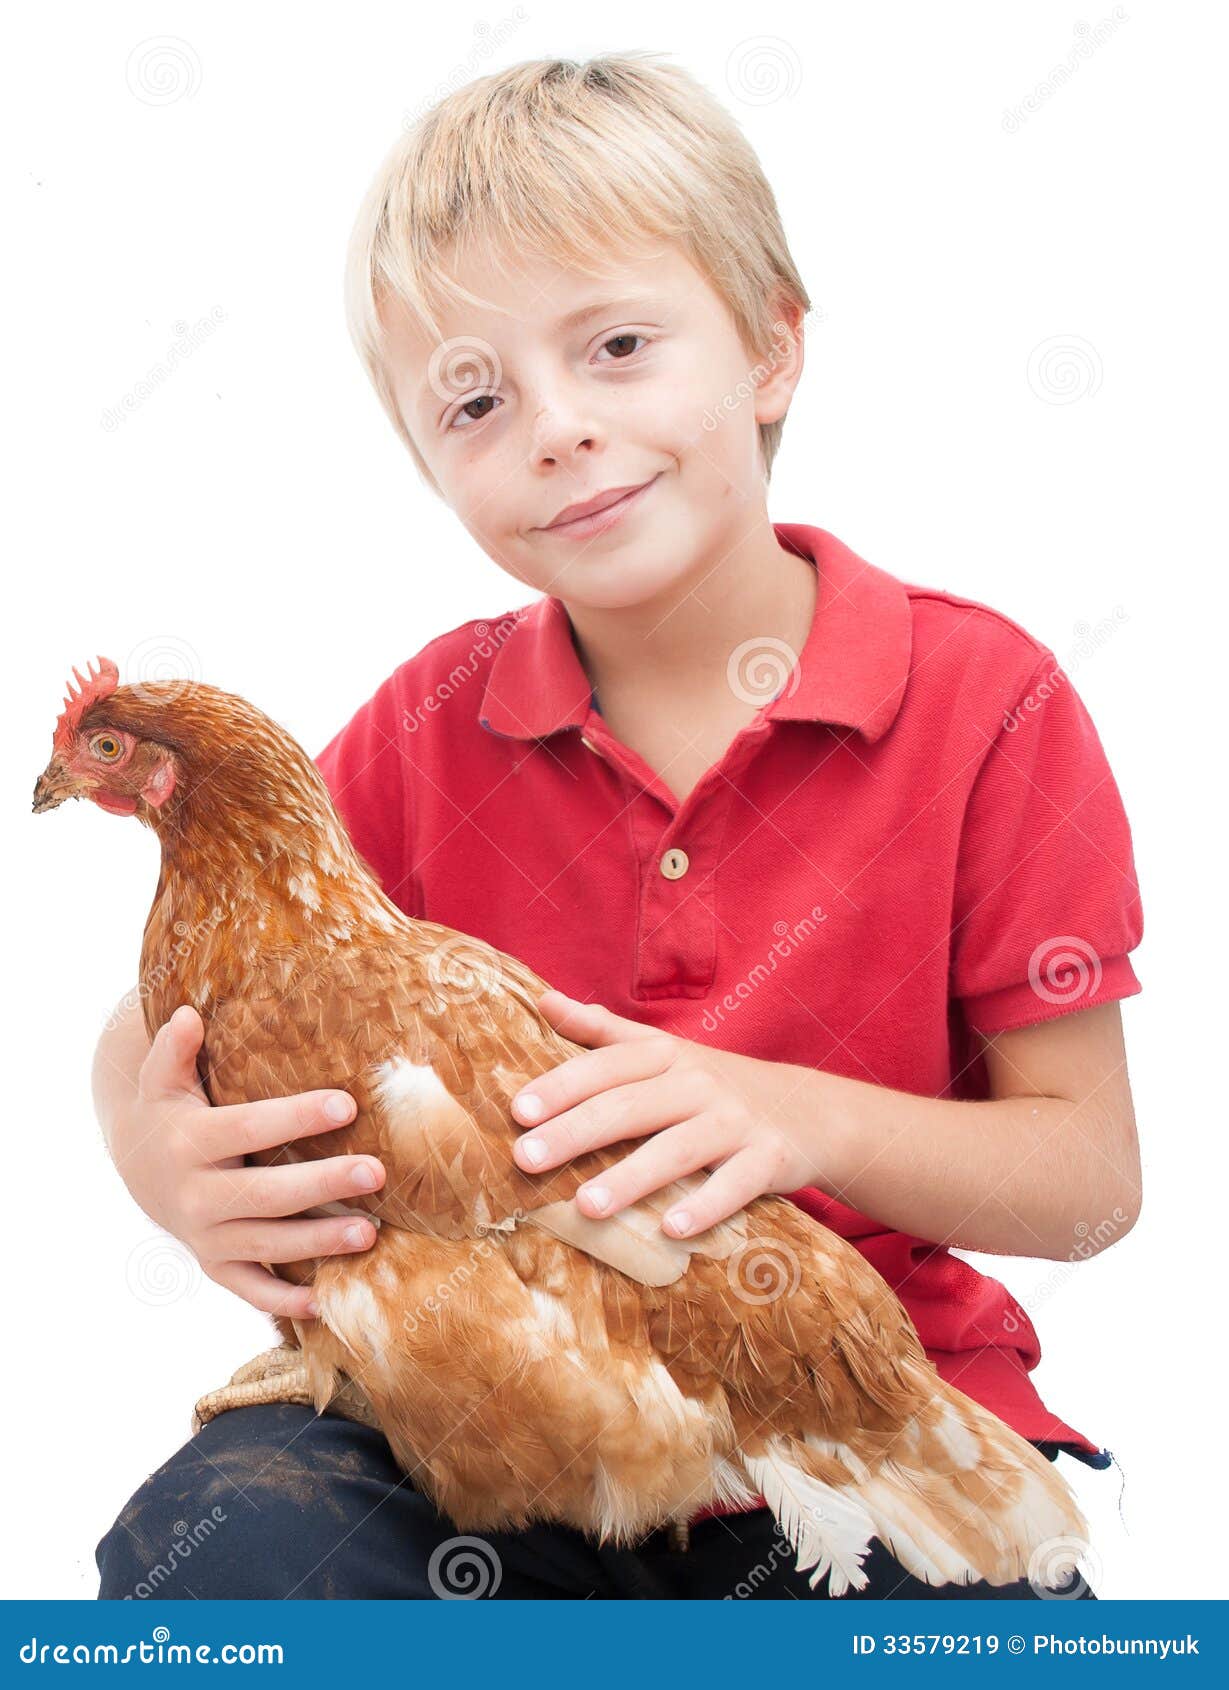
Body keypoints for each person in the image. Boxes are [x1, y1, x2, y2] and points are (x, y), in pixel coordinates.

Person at [92, 52, 1140, 1601]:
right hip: (487, 1403)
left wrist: (796, 1116)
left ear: (773, 347)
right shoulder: (428, 722)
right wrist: (156, 1151)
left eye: (619, 345)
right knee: (231, 1566)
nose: (557, 427)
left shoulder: (982, 702)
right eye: (474, 396)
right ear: (423, 454)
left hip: (854, 1412)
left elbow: (1092, 1182)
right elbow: (173, 1009)